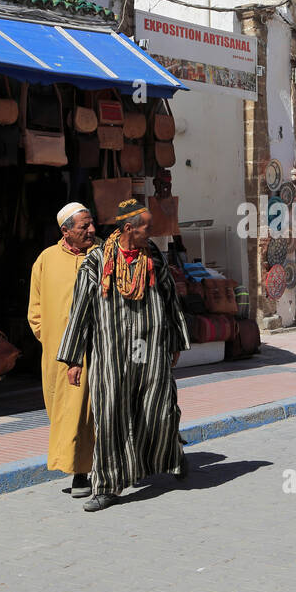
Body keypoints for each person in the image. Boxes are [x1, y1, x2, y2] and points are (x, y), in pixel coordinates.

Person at [56, 199, 189, 512]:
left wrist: (175, 342)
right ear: (128, 229)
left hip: (151, 349)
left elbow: (170, 299)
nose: (151, 232)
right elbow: (81, 311)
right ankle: (107, 487)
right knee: (111, 418)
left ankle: (172, 455)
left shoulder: (153, 255)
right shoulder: (96, 262)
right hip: (110, 355)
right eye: (146, 227)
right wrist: (74, 358)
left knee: (159, 411)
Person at [28, 202, 97, 498]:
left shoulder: (101, 255)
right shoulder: (46, 259)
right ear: (65, 231)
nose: (92, 230)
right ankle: (78, 471)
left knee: (94, 413)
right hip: (59, 356)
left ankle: (91, 472)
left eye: (91, 224)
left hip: (97, 351)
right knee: (67, 413)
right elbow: (35, 310)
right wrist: (52, 340)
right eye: (84, 227)